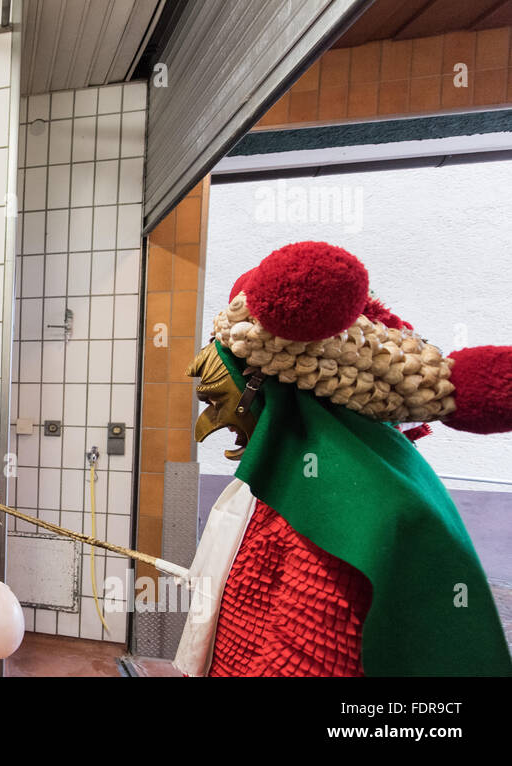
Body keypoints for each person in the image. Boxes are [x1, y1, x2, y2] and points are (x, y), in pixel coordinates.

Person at [175, 241, 512, 677]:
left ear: (276, 396)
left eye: (218, 402)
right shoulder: (300, 480)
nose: (206, 427)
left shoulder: (345, 508)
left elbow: (305, 660)